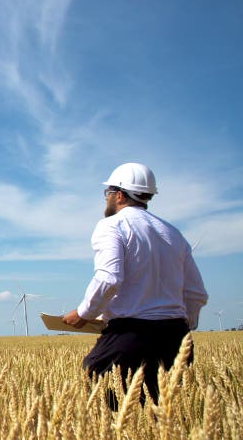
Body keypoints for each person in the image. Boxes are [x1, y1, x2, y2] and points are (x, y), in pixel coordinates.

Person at [62, 162, 208, 405]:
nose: (106, 199)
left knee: (105, 403)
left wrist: (84, 313)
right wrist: (180, 328)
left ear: (118, 195)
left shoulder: (112, 226)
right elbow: (196, 293)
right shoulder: (173, 233)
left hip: (131, 337)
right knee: (163, 415)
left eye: (107, 193)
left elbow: (109, 278)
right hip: (176, 339)